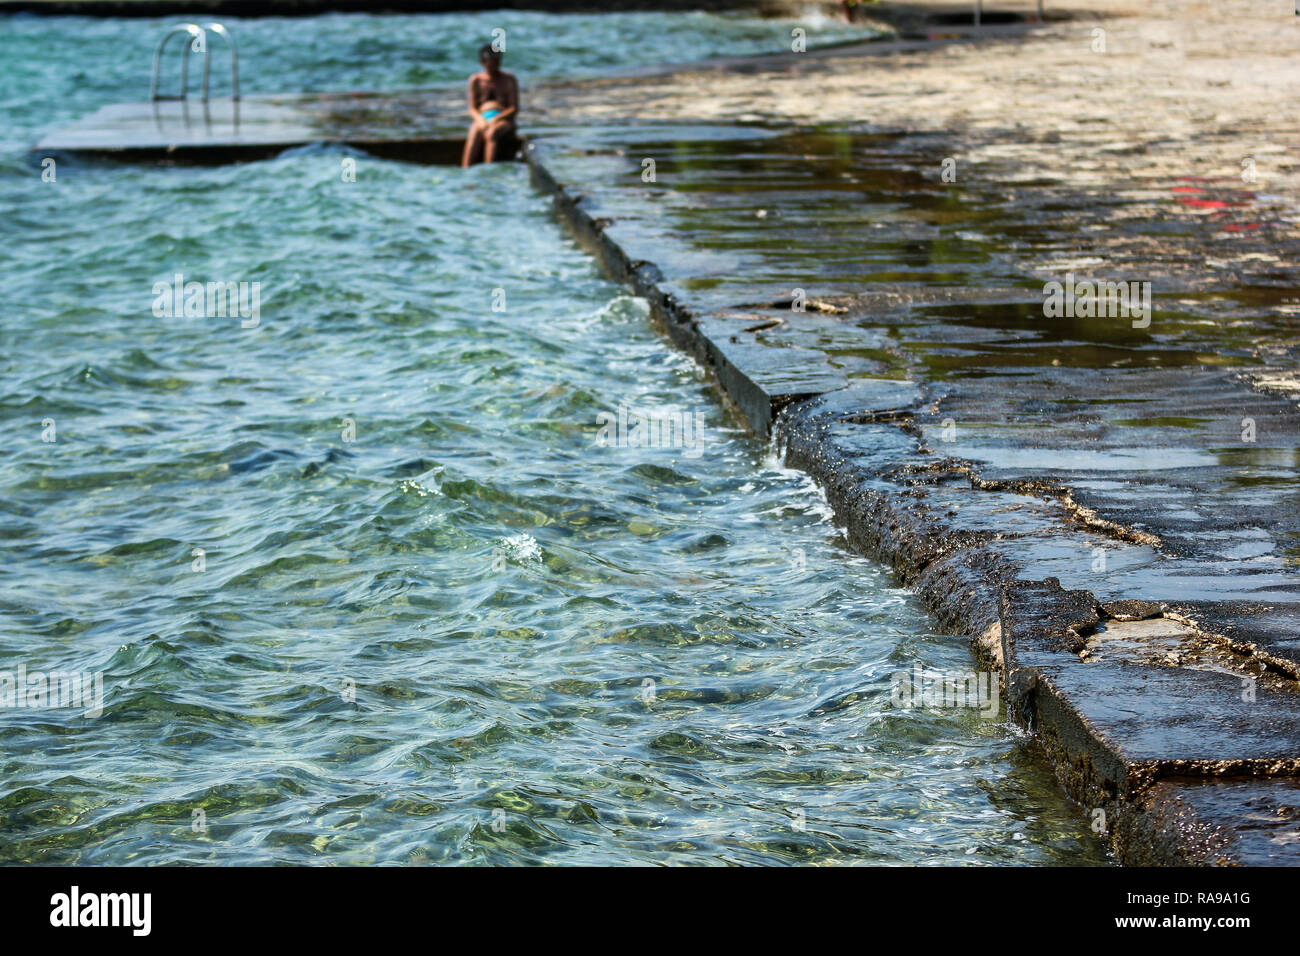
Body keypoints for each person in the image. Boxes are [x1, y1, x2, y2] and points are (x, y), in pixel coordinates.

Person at [461, 44, 519, 167]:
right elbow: (472, 108)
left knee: (492, 132)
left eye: (497, 61)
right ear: (483, 62)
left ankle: (489, 168)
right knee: (474, 133)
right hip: (482, 116)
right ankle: (465, 168)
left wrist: (497, 118)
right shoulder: (476, 80)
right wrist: (480, 120)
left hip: (503, 118)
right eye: (491, 61)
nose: (494, 64)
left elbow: (514, 108)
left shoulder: (509, 79)